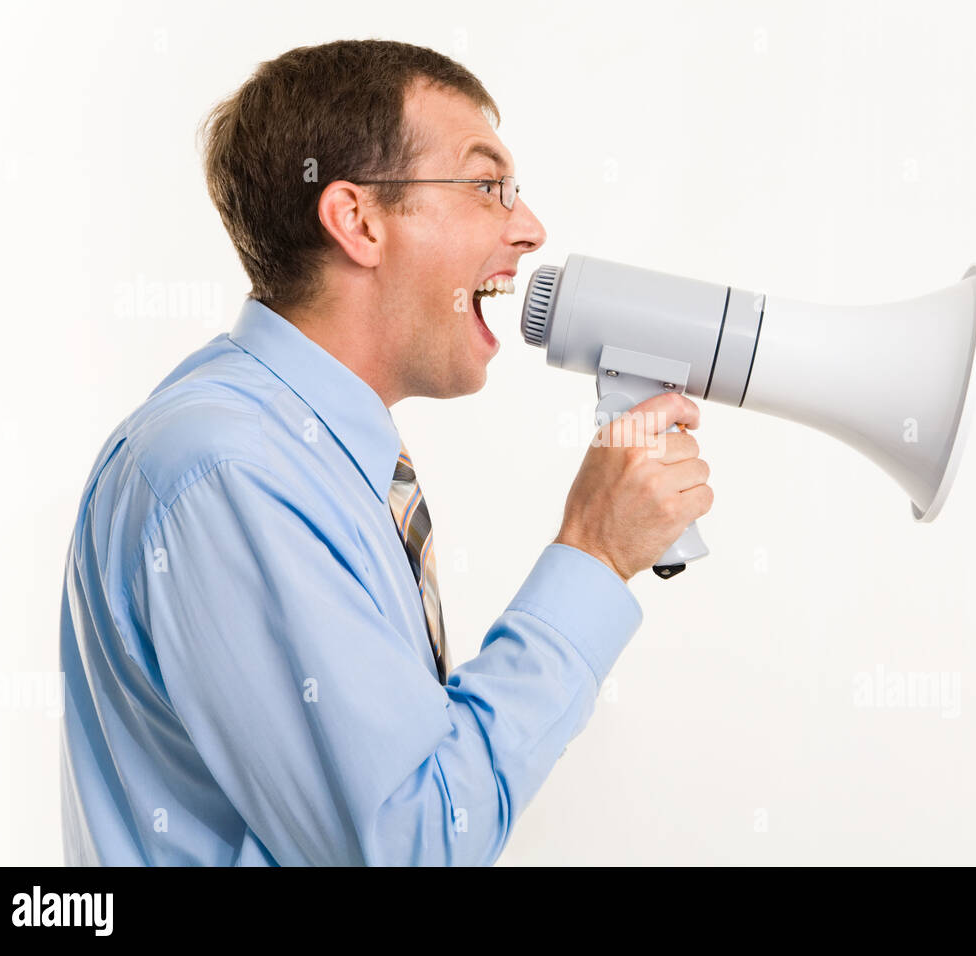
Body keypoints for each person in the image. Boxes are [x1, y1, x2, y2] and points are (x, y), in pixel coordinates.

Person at [59, 39, 712, 866]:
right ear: (358, 220)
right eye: (486, 185)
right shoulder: (230, 471)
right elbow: (409, 845)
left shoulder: (303, 452)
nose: (531, 228)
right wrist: (591, 552)